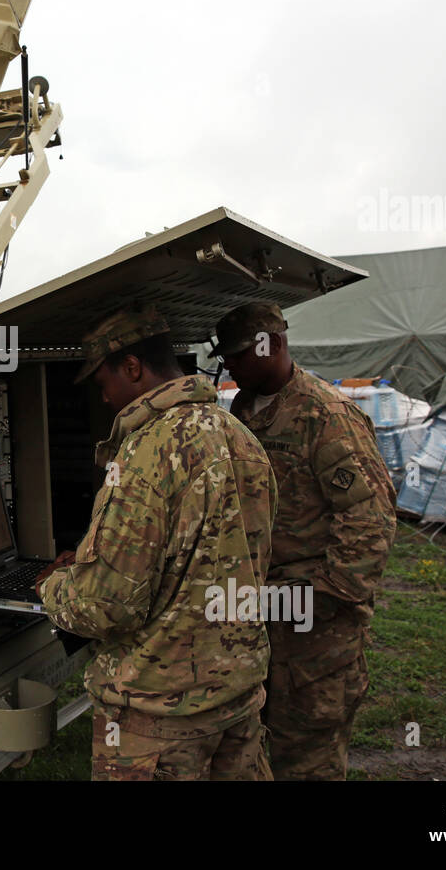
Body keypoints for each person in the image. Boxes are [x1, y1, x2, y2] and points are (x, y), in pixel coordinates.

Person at [38, 306, 277, 780]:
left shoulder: (147, 452)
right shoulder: (240, 434)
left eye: (104, 383)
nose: (104, 398)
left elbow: (108, 604)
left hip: (159, 716)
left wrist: (53, 586)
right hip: (237, 694)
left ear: (132, 368)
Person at [212, 301, 396, 780]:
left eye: (236, 355)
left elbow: (370, 516)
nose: (227, 366)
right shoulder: (243, 408)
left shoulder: (326, 415)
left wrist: (323, 597)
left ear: (269, 346)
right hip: (257, 614)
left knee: (307, 755)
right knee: (250, 743)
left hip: (314, 628)